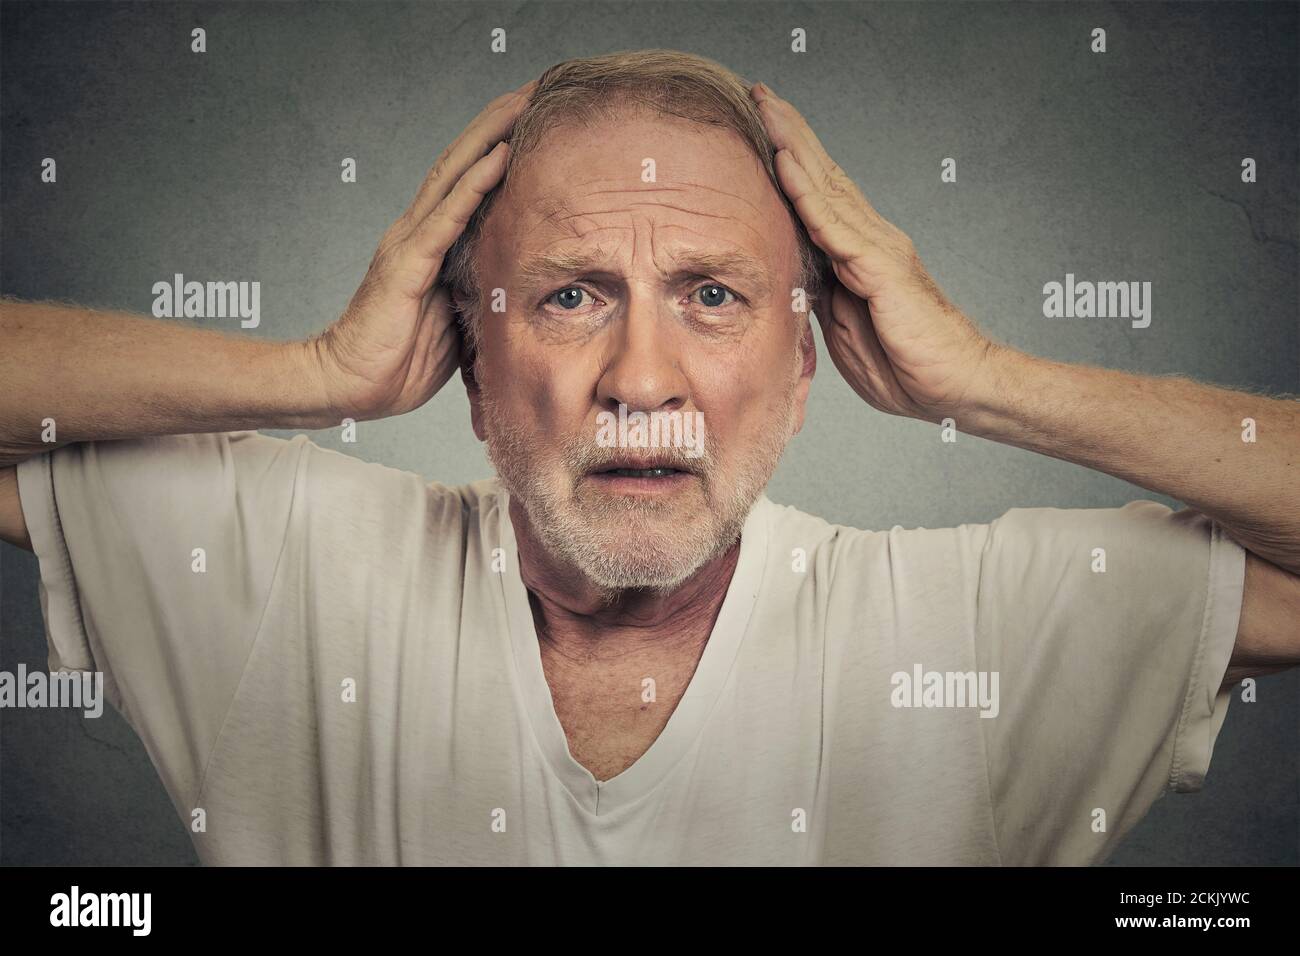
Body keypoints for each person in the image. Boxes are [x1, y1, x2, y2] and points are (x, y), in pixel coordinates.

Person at [0, 50, 1296, 866]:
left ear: (804, 372)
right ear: (469, 365)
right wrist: (316, 373)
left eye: (714, 296)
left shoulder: (968, 629)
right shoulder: (288, 569)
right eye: (570, 295)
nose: (641, 379)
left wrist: (985, 380)